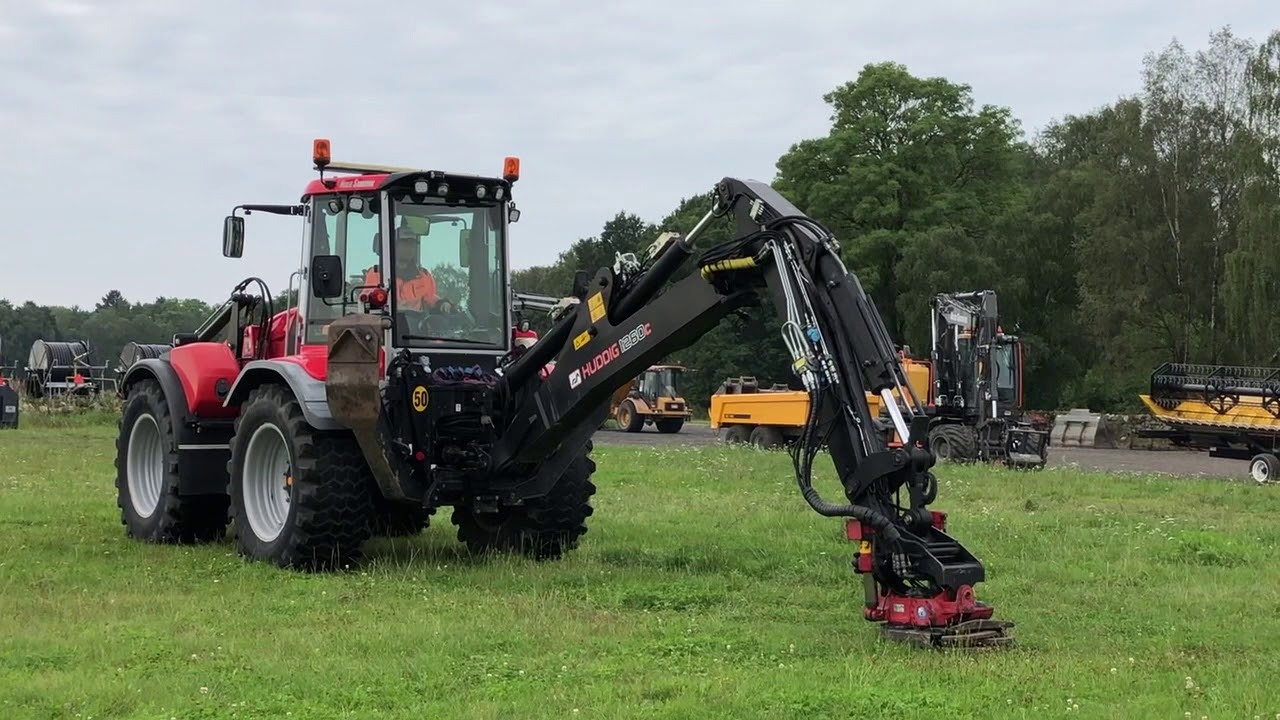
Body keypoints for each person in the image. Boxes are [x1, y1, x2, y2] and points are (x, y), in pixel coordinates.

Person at [364, 226, 438, 311]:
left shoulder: (423, 276)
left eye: (412, 245)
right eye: (405, 244)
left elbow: (430, 298)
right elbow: (367, 300)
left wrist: (442, 303)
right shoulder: (377, 273)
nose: (410, 249)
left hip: (416, 323)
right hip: (388, 322)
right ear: (394, 245)